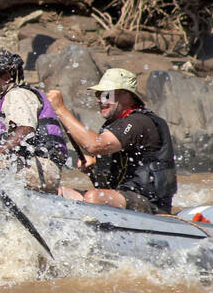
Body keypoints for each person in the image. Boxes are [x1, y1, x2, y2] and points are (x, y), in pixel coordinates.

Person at [46, 67, 177, 214]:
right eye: (98, 94)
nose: (100, 100)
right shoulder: (115, 125)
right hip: (121, 198)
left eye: (107, 95)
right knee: (58, 193)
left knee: (93, 198)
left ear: (126, 96)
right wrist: (94, 167)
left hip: (150, 204)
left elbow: (95, 145)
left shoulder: (139, 122)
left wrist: (59, 109)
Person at [0, 50, 67, 192]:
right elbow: (9, 150)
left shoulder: (17, 95)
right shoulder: (0, 104)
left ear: (7, 77)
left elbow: (25, 130)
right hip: (25, 166)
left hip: (41, 168)